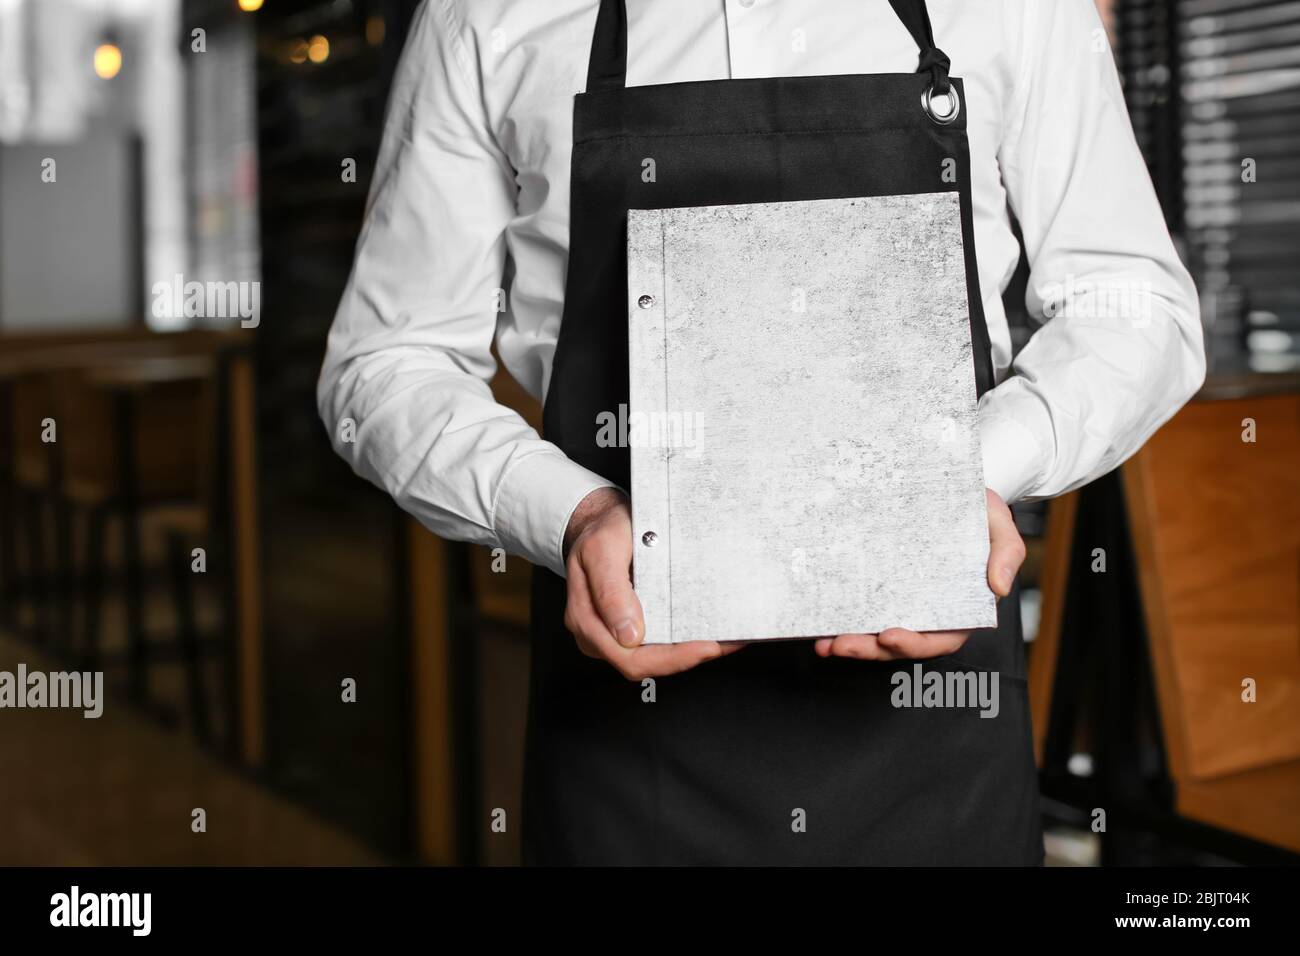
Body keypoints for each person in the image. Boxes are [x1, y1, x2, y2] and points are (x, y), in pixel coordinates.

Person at [318, 0, 1204, 865]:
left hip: (937, 728)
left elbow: (1136, 306)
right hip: (632, 742)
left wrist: (955, 479)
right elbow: (386, 362)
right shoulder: (485, 14)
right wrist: (572, 515)